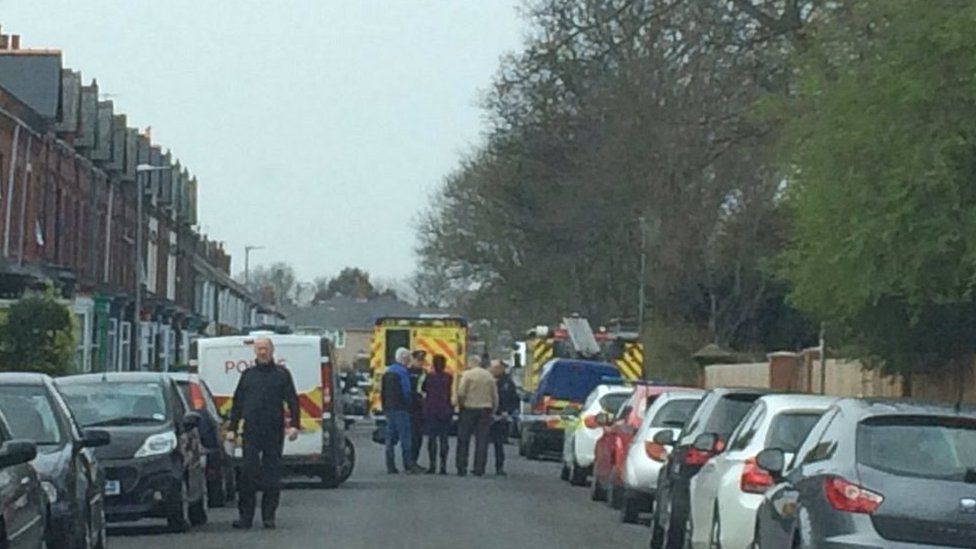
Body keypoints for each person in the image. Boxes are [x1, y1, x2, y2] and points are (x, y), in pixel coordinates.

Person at [227, 337, 300, 530]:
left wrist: (295, 425)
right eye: (259, 349)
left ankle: (269, 516)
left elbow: (293, 401)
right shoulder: (248, 375)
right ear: (254, 351)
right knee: (247, 474)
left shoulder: (282, 375)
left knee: (272, 476)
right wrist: (232, 429)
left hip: (274, 432)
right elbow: (237, 402)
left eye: (265, 348)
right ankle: (245, 518)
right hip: (251, 431)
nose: (262, 352)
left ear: (272, 350)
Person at [381, 347, 424, 474]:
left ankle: (390, 465)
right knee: (406, 438)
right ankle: (409, 464)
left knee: (390, 439)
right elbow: (406, 391)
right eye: (408, 358)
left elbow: (383, 391)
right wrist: (410, 404)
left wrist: (385, 407)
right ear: (404, 359)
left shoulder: (388, 371)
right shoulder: (402, 372)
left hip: (389, 409)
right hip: (401, 409)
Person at [455, 355, 498, 477]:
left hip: (469, 409)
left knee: (463, 439)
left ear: (471, 363)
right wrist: (493, 410)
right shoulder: (489, 376)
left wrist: (460, 405)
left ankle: (461, 467)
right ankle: (479, 468)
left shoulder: (467, 375)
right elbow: (495, 396)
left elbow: (461, 392)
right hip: (485, 410)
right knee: (482, 440)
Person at [421, 354, 453, 474]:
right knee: (444, 439)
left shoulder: (429, 377)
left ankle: (432, 465)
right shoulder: (448, 377)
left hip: (431, 411)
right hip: (444, 410)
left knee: (432, 439)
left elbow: (423, 389)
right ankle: (443, 466)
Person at [489, 359, 520, 476]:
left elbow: (514, 399)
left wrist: (508, 411)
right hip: (486, 414)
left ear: (502, 369)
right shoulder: (487, 379)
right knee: (481, 443)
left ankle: (499, 467)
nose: (494, 370)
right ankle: (479, 467)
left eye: (497, 368)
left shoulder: (508, 382)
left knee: (499, 444)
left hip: (501, 416)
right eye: (493, 368)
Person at [407, 350, 427, 465]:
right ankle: (409, 461)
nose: (420, 362)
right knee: (410, 436)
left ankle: (414, 460)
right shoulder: (407, 372)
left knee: (417, 437)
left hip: (419, 408)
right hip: (409, 407)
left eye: (422, 360)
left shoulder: (424, 373)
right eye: (418, 360)